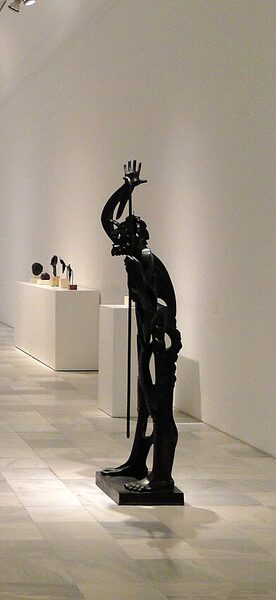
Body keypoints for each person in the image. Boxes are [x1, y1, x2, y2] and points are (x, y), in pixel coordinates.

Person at [99, 161, 182, 493]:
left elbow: (161, 306)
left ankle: (161, 477)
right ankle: (137, 462)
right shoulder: (132, 256)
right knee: (144, 405)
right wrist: (126, 189)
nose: (117, 239)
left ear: (137, 237)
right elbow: (106, 218)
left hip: (160, 345)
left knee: (159, 408)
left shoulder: (147, 261)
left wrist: (155, 332)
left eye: (124, 236)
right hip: (146, 339)